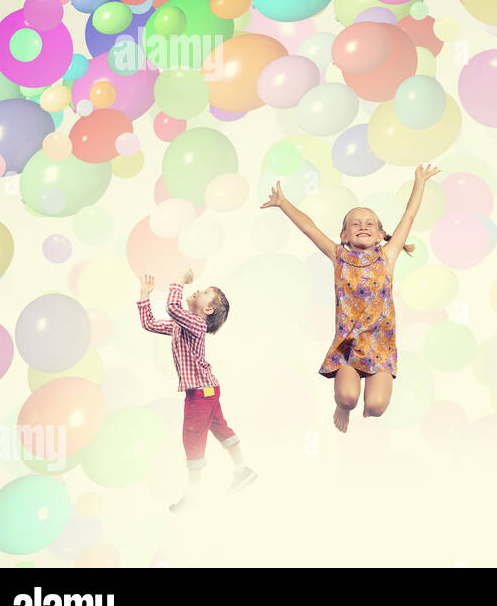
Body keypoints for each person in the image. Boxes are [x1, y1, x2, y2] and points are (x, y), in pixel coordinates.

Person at [261, 164, 439, 432]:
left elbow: (410, 215)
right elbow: (310, 228)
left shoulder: (387, 256)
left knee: (377, 408)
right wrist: (283, 203)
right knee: (347, 398)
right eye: (355, 223)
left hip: (380, 348)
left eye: (369, 223)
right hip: (348, 348)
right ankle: (343, 407)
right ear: (344, 235)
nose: (362, 226)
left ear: (381, 235)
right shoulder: (339, 257)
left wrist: (420, 181)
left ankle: (370, 406)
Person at [138, 269, 255, 513]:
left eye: (203, 293)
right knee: (220, 429)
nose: (197, 291)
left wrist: (179, 280)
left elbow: (172, 307)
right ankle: (242, 469)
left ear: (207, 310)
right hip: (207, 390)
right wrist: (144, 295)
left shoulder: (197, 323)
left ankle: (193, 497)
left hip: (201, 393)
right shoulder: (181, 326)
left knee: (192, 440)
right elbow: (149, 323)